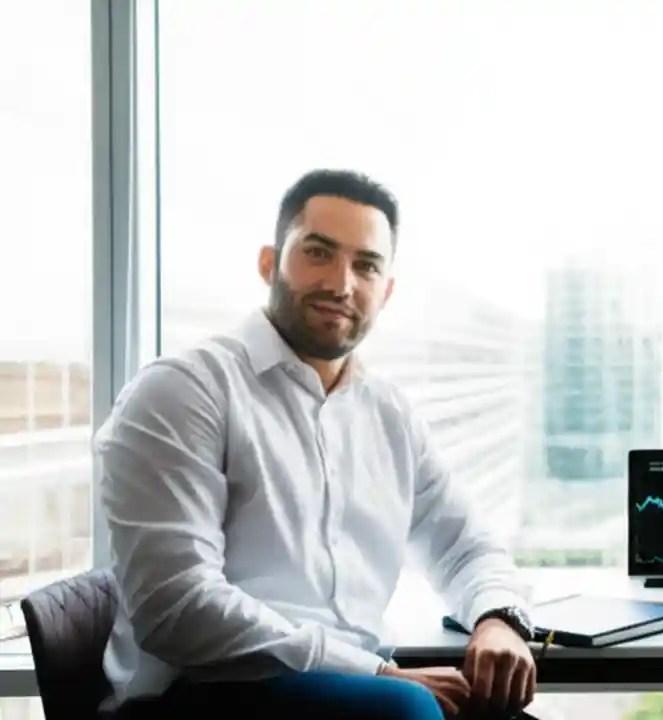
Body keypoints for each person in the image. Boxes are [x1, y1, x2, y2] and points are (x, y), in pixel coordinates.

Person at [96, 169, 538, 720]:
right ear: (268, 262)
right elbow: (177, 608)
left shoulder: (389, 416)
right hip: (201, 692)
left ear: (387, 290)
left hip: (359, 692)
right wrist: (373, 671)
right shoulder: (185, 391)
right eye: (318, 253)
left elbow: (466, 547)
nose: (341, 284)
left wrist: (497, 618)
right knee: (405, 711)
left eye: (366, 265)